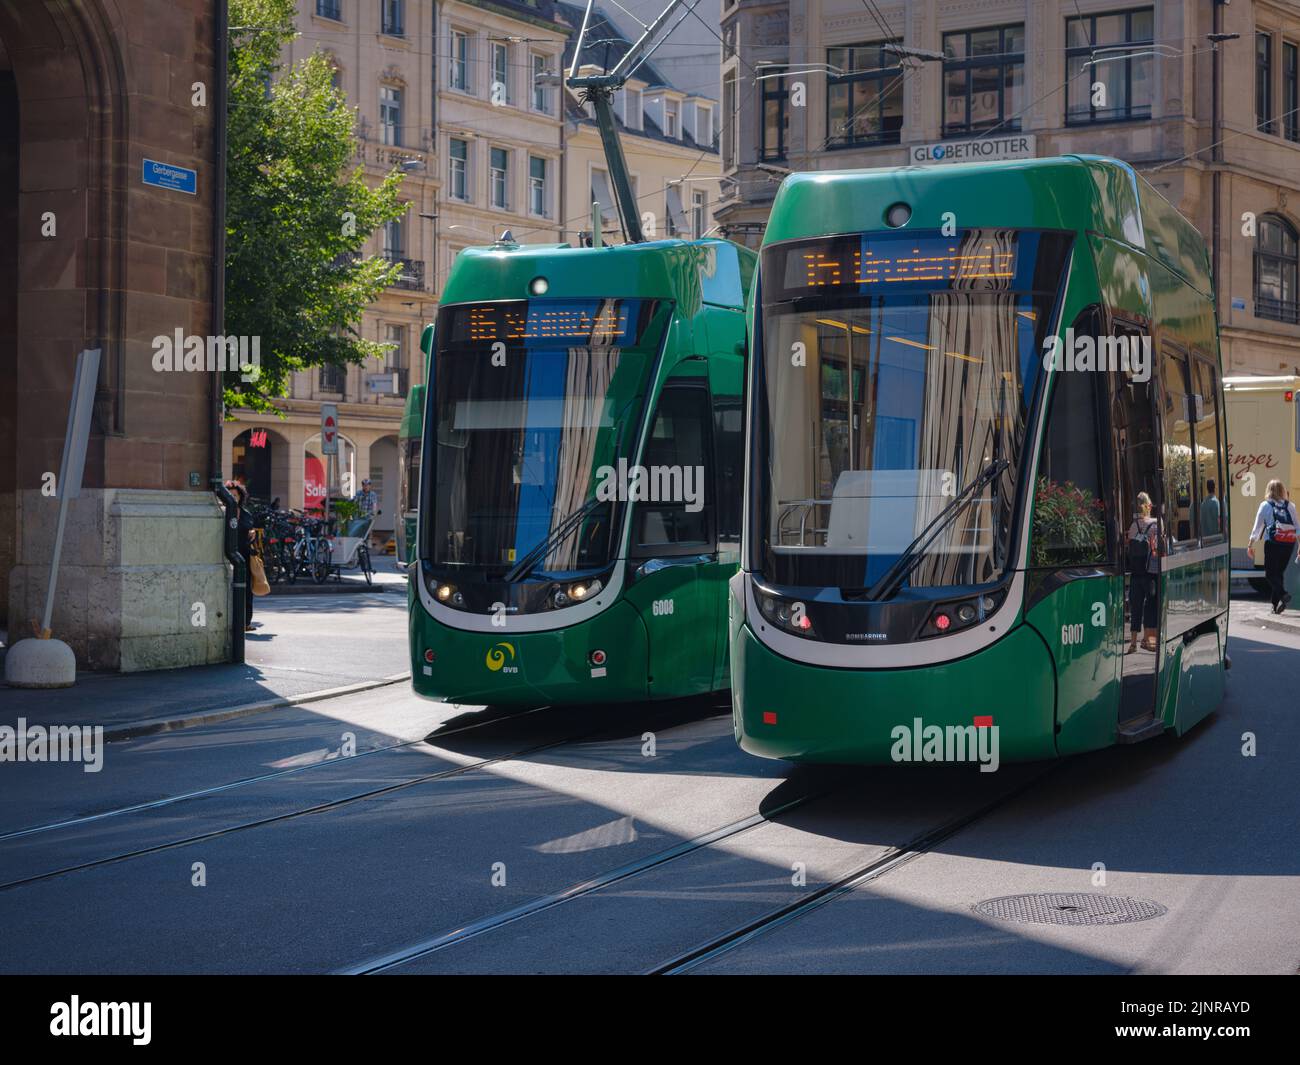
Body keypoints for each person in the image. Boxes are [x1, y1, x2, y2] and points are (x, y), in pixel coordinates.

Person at [1247, 480, 1299, 614]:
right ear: (1282, 490)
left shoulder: (1265, 505)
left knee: (1270, 574)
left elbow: (1257, 527)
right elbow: (1297, 527)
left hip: (1273, 543)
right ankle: (1275, 605)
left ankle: (1283, 594)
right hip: (1289, 544)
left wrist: (1250, 544)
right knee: (1279, 573)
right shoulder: (1290, 506)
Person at [1125, 491, 1161, 653]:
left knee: (1136, 607)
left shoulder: (1134, 526)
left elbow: (1128, 547)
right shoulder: (1156, 524)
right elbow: (1160, 547)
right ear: (1148, 506)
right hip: (1151, 572)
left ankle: (1133, 643)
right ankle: (1148, 639)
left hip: (1136, 573)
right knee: (1151, 605)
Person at [229, 482, 256, 631]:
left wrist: (252, 533)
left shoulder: (246, 514)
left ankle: (246, 622)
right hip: (227, 556)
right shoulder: (224, 513)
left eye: (235, 495)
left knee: (246, 589)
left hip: (244, 556)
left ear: (240, 497)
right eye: (230, 495)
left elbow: (250, 529)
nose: (233, 498)